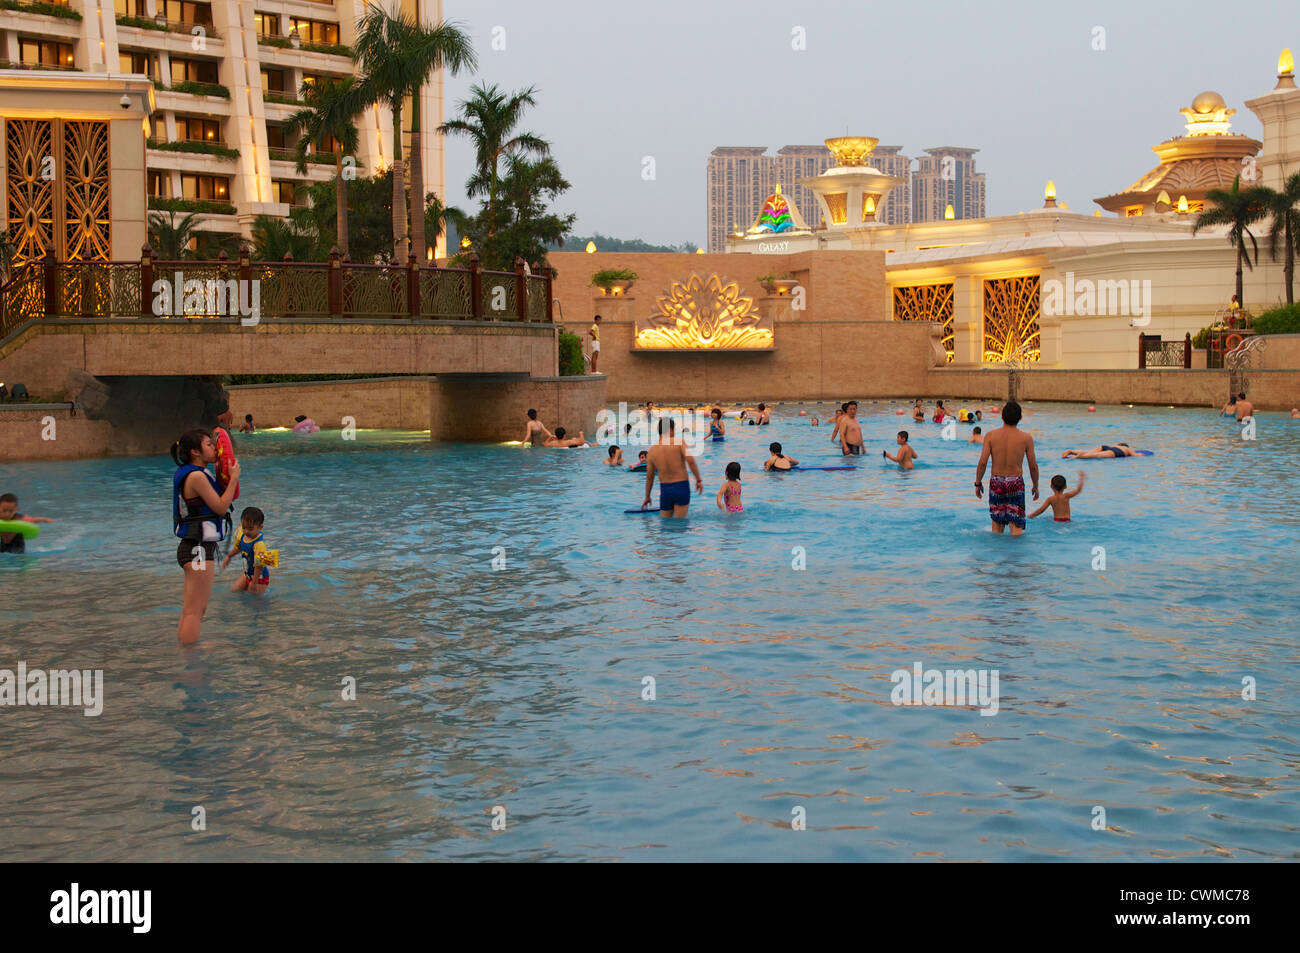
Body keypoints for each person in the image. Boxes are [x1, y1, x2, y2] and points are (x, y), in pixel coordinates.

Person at [172, 429, 241, 643]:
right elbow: (220, 507)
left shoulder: (196, 473)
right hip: (197, 549)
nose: (214, 448)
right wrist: (234, 478)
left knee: (193, 610)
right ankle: (191, 663)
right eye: (208, 444)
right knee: (195, 611)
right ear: (195, 451)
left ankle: (187, 655)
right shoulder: (196, 476)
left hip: (195, 547)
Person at [975, 400, 1039, 536]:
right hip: (1015, 483)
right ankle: (1015, 557)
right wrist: (1035, 485)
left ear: (1002, 416)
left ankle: (996, 555)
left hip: (996, 482)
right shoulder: (1026, 438)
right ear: (1020, 418)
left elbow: (982, 462)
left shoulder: (990, 436)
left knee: (997, 528)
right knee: (1016, 528)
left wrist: (978, 482)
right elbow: (1033, 466)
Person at [641, 418, 703, 518]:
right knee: (680, 525)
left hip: (665, 490)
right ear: (670, 429)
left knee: (666, 527)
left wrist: (647, 496)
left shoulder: (652, 451)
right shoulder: (679, 442)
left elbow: (649, 477)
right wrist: (698, 480)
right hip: (681, 487)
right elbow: (690, 461)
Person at [221, 506, 272, 594]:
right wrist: (229, 556)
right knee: (234, 591)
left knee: (255, 601)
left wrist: (254, 582)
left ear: (260, 527)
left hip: (259, 577)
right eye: (244, 528)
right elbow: (238, 548)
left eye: (250, 529)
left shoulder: (259, 545)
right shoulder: (243, 536)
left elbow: (259, 565)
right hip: (247, 574)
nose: (246, 531)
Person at [212, 409, 240, 502]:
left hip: (222, 431)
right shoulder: (230, 414)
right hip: (227, 430)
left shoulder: (219, 415)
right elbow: (230, 423)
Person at [1061, 443, 1139, 458]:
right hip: (1116, 452)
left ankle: (1072, 452)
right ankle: (1079, 457)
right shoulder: (1126, 449)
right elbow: (1135, 455)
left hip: (1105, 447)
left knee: (1087, 452)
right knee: (1096, 455)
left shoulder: (1115, 445)